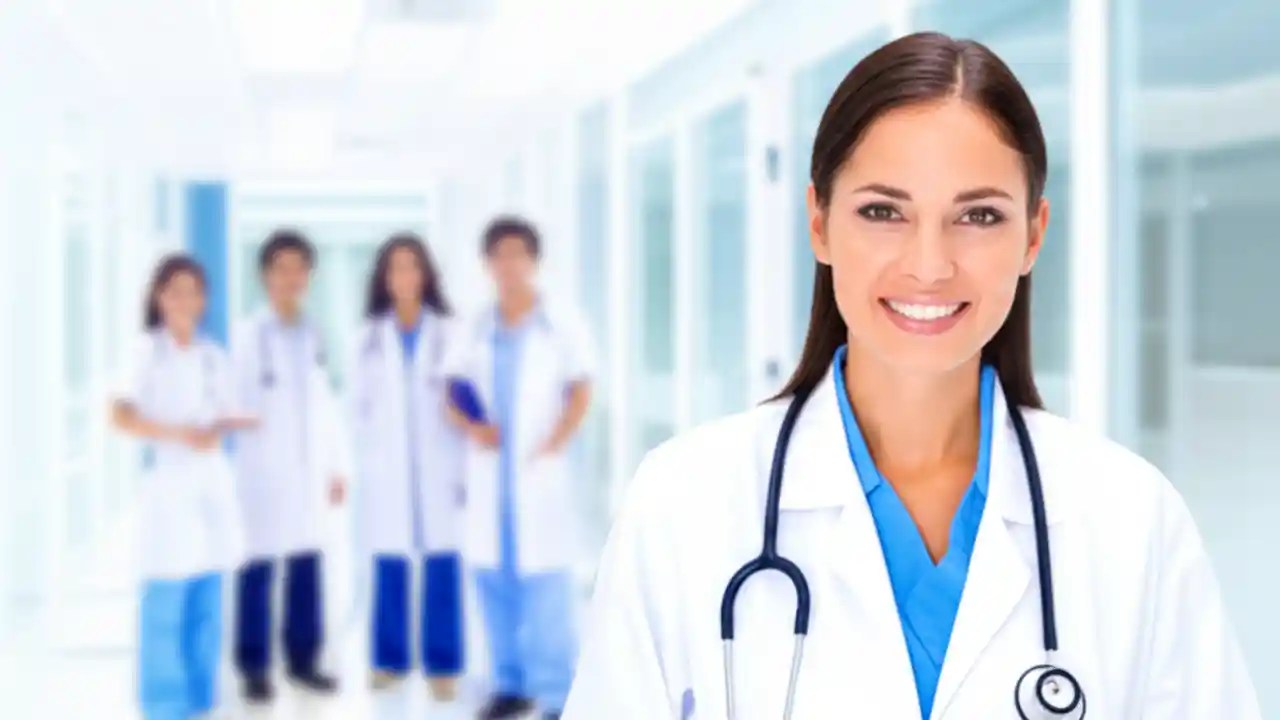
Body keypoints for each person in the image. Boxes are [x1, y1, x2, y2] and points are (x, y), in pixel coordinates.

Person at [564, 32, 1260, 719]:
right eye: (883, 212)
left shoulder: (1131, 520)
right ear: (819, 222)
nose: (929, 264)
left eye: (978, 215)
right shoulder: (683, 504)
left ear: (1033, 236)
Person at [443, 216, 595, 720]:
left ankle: (555, 693)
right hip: (491, 481)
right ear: (488, 264)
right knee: (494, 586)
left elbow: (581, 389)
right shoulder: (476, 325)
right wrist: (473, 428)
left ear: (534, 261)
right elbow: (451, 388)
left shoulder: (560, 322)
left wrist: (555, 442)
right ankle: (509, 684)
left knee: (547, 591)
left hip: (536, 476)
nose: (508, 265)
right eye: (499, 256)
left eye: (518, 255)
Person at [111, 254, 251, 720]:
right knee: (166, 597)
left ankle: (201, 700)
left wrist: (230, 425)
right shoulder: (145, 351)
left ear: (204, 299)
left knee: (208, 597)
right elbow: (120, 415)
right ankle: (164, 705)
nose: (185, 300)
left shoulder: (214, 355)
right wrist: (178, 433)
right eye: (174, 290)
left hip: (211, 483)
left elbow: (226, 413)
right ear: (158, 297)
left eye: (193, 290)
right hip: (169, 485)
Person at [230, 229, 351, 702]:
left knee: (306, 570)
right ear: (265, 275)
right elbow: (234, 405)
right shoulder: (247, 335)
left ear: (309, 276)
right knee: (256, 572)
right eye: (281, 267)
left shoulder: (312, 333)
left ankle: (303, 662)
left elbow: (324, 405)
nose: (291, 277)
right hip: (260, 474)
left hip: (308, 473)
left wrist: (336, 466)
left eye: (299, 268)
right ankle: (254, 667)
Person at [349, 232, 466, 698]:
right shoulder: (367, 339)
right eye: (394, 267)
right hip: (389, 469)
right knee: (390, 565)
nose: (404, 276)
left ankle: (443, 665)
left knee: (441, 565)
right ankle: (390, 661)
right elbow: (356, 408)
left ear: (425, 274)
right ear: (383, 277)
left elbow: (464, 398)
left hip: (441, 466)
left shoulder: (451, 333)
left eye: (412, 266)